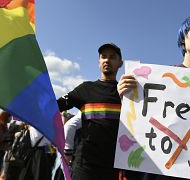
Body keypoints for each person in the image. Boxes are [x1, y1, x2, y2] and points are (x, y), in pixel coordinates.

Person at [118, 13, 190, 180]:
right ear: (183, 38)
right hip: (163, 170)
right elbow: (141, 121)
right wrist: (127, 97)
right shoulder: (156, 81)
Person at [57, 43, 143, 180]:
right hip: (85, 167)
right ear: (98, 62)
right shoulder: (85, 89)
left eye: (112, 57)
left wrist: (124, 100)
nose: (107, 60)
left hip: (114, 168)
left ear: (120, 63)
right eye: (103, 57)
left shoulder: (130, 93)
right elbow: (55, 106)